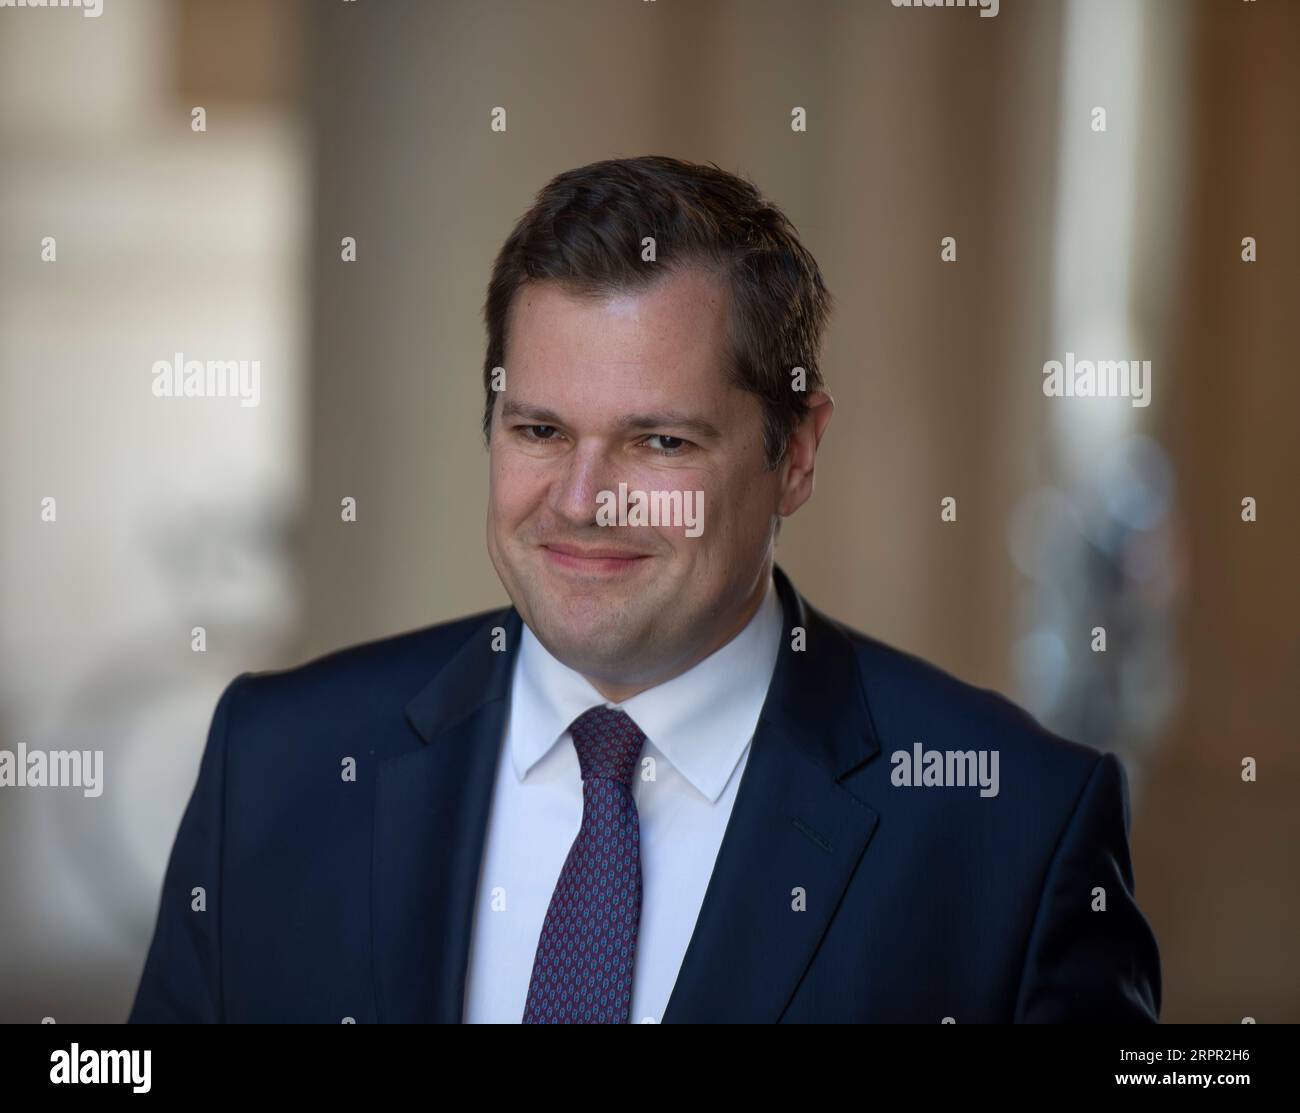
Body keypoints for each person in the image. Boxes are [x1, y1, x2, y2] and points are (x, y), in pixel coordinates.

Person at [129, 155, 1160, 1023]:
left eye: (658, 441)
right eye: (539, 431)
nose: (582, 501)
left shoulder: (1010, 830)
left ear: (795, 453)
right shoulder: (276, 764)